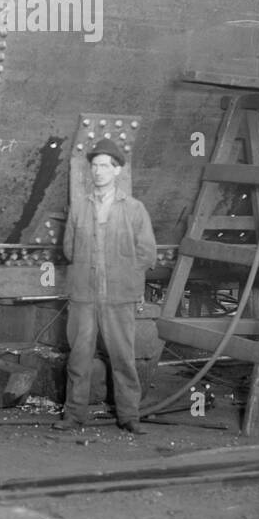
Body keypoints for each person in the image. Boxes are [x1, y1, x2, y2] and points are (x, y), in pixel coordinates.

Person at [54, 138, 157, 434]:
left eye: (104, 166)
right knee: (79, 358)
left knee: (123, 358)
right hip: (84, 297)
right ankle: (74, 415)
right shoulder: (79, 208)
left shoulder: (134, 209)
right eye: (94, 166)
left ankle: (129, 416)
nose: (98, 171)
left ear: (117, 171)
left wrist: (124, 278)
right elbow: (69, 250)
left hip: (118, 298)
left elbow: (147, 253)